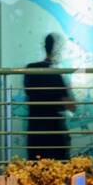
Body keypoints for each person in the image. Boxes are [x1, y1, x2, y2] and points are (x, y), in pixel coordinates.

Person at [23, 32, 75, 160]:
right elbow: (71, 106)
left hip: (35, 130)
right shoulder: (56, 74)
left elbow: (30, 93)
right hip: (54, 131)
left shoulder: (30, 69)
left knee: (35, 168)